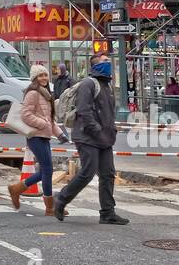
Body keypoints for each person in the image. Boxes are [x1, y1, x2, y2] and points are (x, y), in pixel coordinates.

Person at [53, 63, 128, 225]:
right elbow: (83, 111)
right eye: (103, 60)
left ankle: (107, 212)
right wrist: (98, 130)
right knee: (88, 172)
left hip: (104, 138)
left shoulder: (106, 85)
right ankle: (61, 198)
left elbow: (106, 112)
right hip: (87, 137)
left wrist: (110, 129)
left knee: (108, 174)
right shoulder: (88, 84)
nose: (109, 64)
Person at [8, 64, 69, 216]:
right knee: (47, 170)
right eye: (40, 76)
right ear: (34, 78)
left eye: (45, 75)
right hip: (36, 136)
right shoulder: (33, 93)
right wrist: (42, 124)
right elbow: (25, 114)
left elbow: (50, 119)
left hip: (44, 137)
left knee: (44, 171)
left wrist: (60, 134)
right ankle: (50, 208)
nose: (43, 78)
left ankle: (16, 189)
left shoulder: (47, 94)